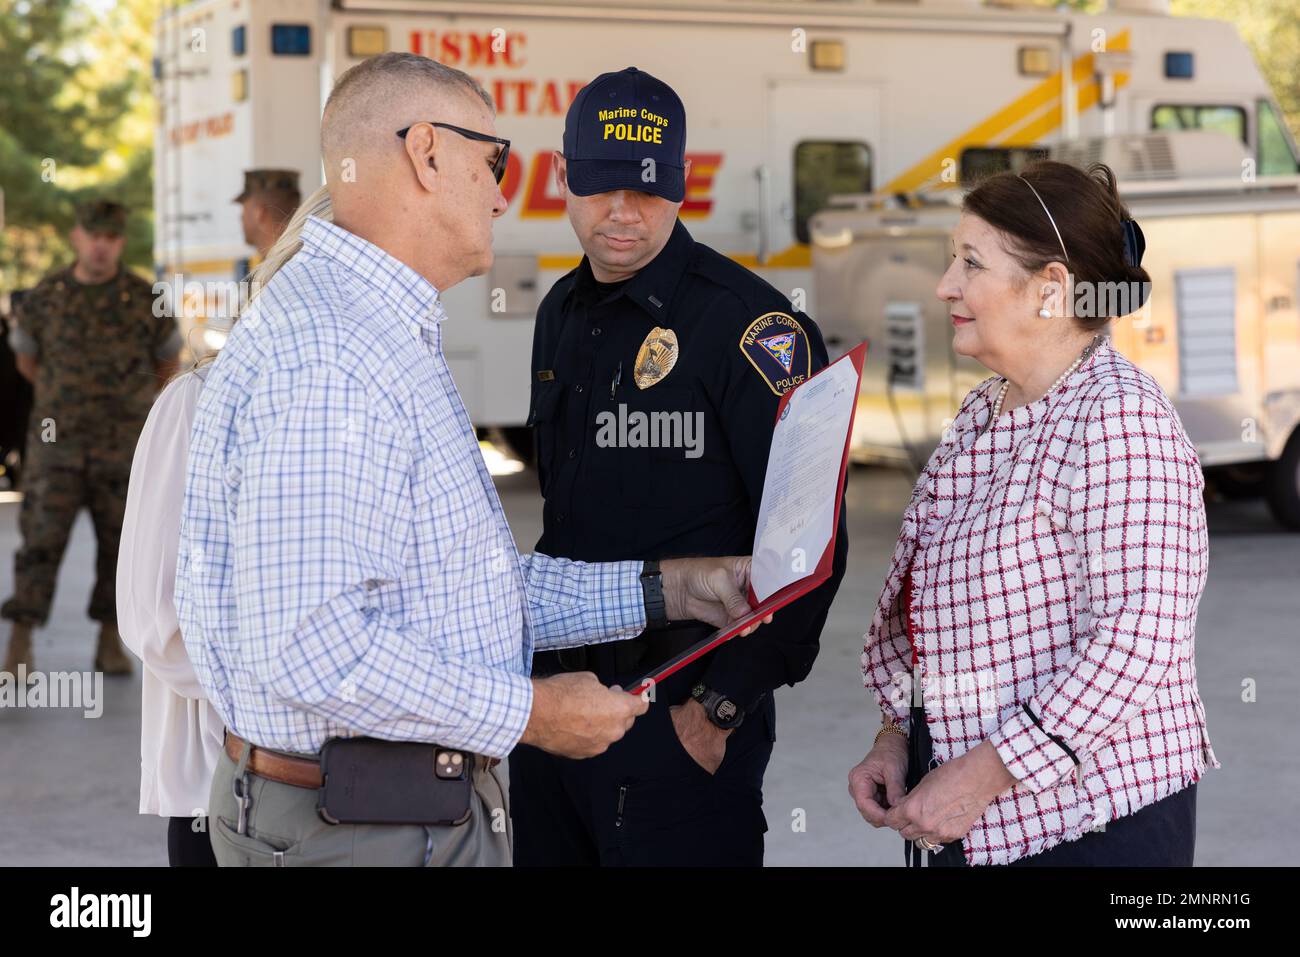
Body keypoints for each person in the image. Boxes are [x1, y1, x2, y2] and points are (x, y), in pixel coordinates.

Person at [175, 52, 765, 868]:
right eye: (494, 162)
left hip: (376, 814)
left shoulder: (373, 334)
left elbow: (464, 588)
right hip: (357, 828)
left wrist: (669, 588)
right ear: (425, 153)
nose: (501, 193)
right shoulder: (333, 359)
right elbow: (315, 648)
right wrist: (529, 713)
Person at [508, 67, 848, 867]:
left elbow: (812, 548)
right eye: (599, 187)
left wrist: (717, 710)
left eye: (649, 189)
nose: (623, 212)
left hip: (678, 718)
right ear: (562, 176)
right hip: (556, 709)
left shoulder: (753, 329)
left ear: (684, 183)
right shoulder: (560, 312)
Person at [849, 161, 1217, 866]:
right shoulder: (986, 408)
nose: (945, 285)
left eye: (970, 263)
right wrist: (899, 732)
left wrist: (982, 774)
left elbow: (1138, 638)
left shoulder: (1119, 417)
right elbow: (938, 615)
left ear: (1049, 288)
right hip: (975, 819)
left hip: (1092, 831)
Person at [117, 188, 333, 867]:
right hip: (223, 793)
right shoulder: (197, 404)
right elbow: (156, 621)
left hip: (348, 800)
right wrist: (295, 706)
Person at [2, 201, 182, 677]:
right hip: (56, 447)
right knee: (40, 541)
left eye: (111, 237)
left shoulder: (147, 299)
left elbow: (169, 365)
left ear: (121, 241)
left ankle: (109, 640)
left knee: (120, 546)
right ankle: (19, 642)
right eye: (92, 235)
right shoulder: (45, 296)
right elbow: (27, 363)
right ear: (76, 237)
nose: (101, 245)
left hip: (122, 448)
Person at [235, 169, 302, 258]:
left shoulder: (278, 267)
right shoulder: (300, 256)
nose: (241, 217)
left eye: (244, 209)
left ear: (259, 214)